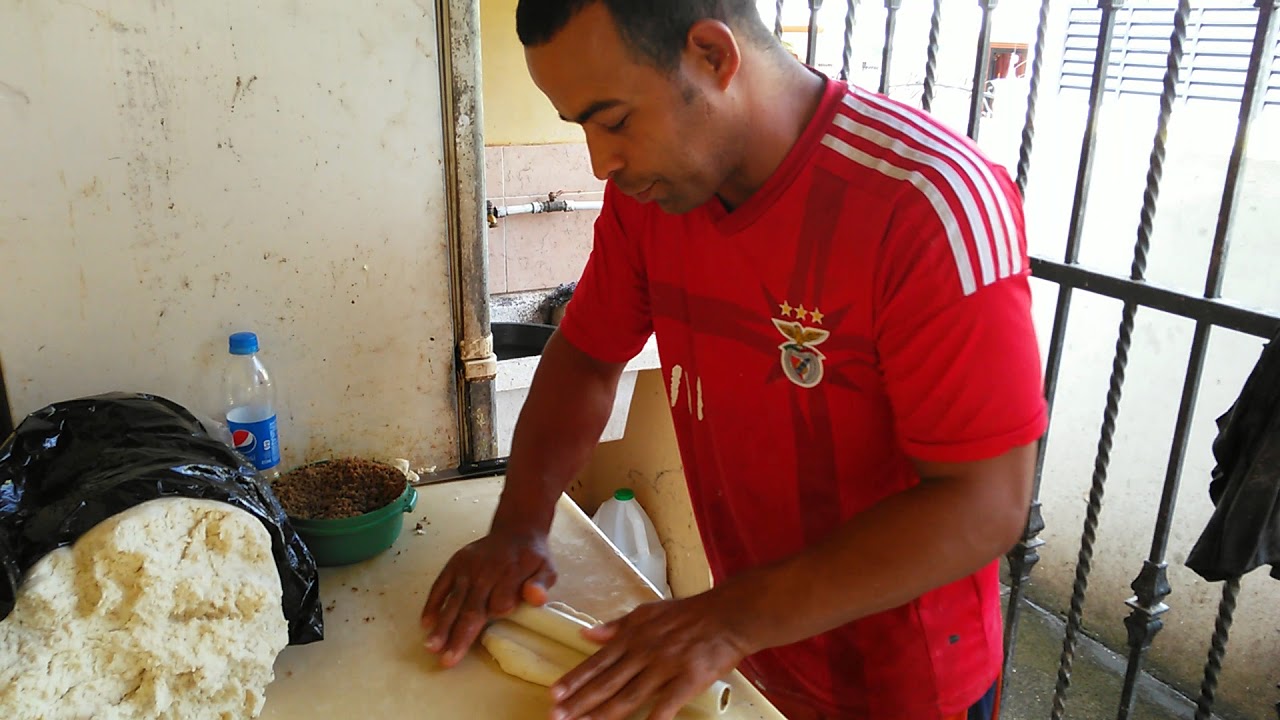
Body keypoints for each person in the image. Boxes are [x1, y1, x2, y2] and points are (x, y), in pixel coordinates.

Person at [421, 2, 1047, 718]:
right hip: (755, 658)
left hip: (903, 687)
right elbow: (587, 357)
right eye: (582, 128)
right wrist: (520, 527)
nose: (602, 162)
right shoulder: (653, 195)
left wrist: (724, 620)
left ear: (713, 57)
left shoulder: (930, 204)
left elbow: (985, 503)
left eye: (615, 120)